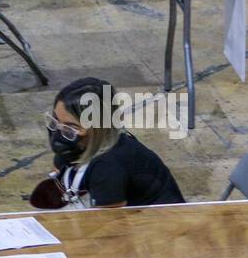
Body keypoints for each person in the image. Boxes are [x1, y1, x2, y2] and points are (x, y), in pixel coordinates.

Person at [30, 77, 186, 210]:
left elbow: (108, 226)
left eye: (70, 128)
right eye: (55, 121)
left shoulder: (108, 168)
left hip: (159, 224)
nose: (57, 134)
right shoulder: (72, 148)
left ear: (96, 129)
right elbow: (58, 179)